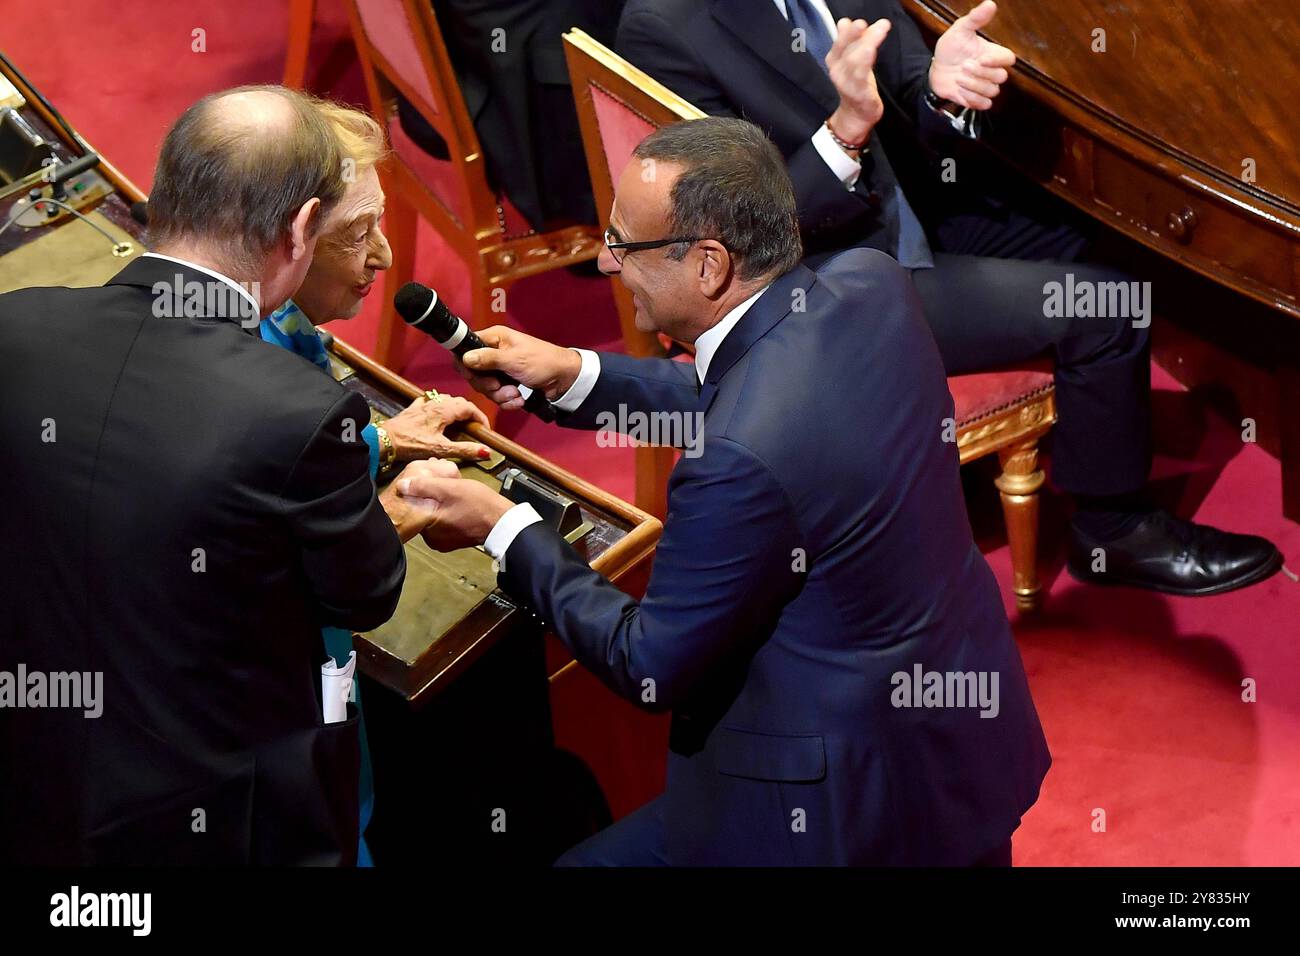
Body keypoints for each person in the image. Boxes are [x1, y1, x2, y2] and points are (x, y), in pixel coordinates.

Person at [393, 117, 1051, 865]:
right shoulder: (870, 286)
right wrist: (576, 374)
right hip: (957, 749)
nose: (608, 265)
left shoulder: (733, 466)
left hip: (828, 811)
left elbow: (650, 666)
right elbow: (749, 388)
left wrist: (504, 526)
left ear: (708, 265)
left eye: (624, 244)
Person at [615, 0, 1281, 596]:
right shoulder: (666, 26)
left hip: (905, 211)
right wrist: (845, 128)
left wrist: (941, 90)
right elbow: (734, 232)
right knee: (1104, 307)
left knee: (1098, 243)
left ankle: (1085, 450)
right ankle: (1114, 531)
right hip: (814, 280)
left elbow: (912, 84)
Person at [0, 85, 438, 865]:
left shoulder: (17, 324)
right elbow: (365, 593)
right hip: (217, 823)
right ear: (303, 228)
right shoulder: (295, 411)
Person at [257, 97, 491, 866]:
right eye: (358, 235)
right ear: (291, 238)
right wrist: (398, 507)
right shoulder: (253, 394)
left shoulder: (263, 317)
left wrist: (384, 439)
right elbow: (274, 567)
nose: (387, 258)